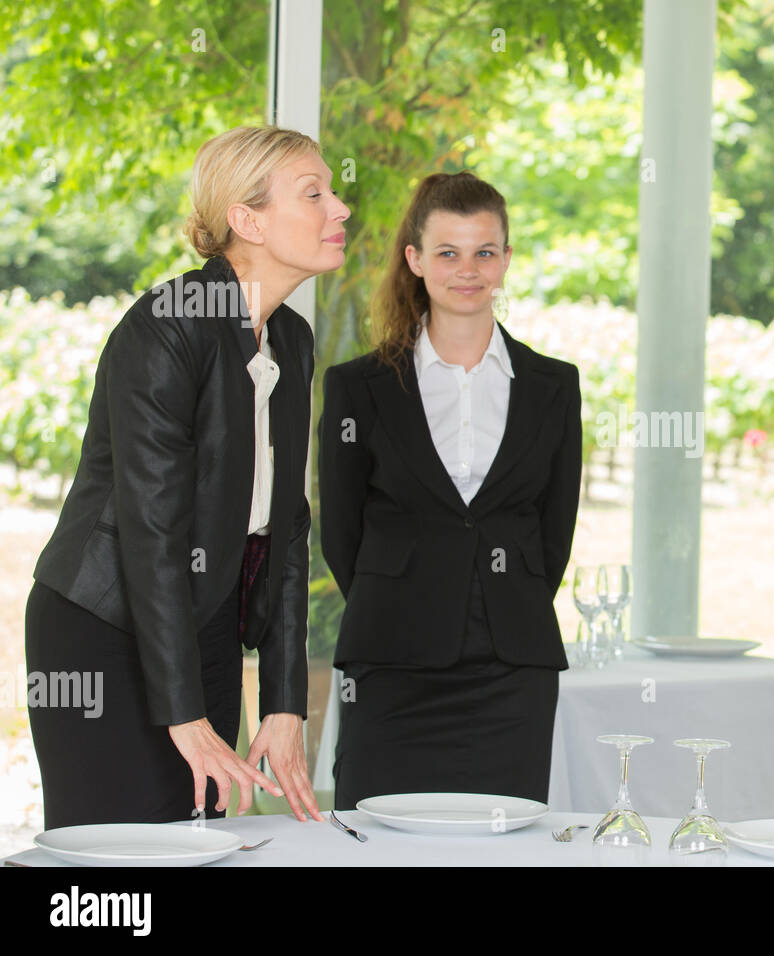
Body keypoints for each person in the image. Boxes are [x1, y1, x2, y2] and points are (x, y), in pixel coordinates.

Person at [27, 125, 350, 827]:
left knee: (194, 835)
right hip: (102, 630)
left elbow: (286, 529)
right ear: (247, 219)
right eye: (314, 193)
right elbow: (152, 535)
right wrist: (183, 715)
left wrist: (284, 703)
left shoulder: (291, 339)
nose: (340, 209)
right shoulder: (166, 326)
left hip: (198, 624)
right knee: (120, 857)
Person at [319, 171, 581, 809]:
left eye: (484, 252)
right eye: (447, 252)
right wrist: (411, 592)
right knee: (378, 845)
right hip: (390, 663)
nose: (468, 270)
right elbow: (341, 533)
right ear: (415, 259)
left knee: (502, 848)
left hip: (512, 670)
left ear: (507, 260)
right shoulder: (359, 388)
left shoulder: (554, 386)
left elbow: (554, 531)